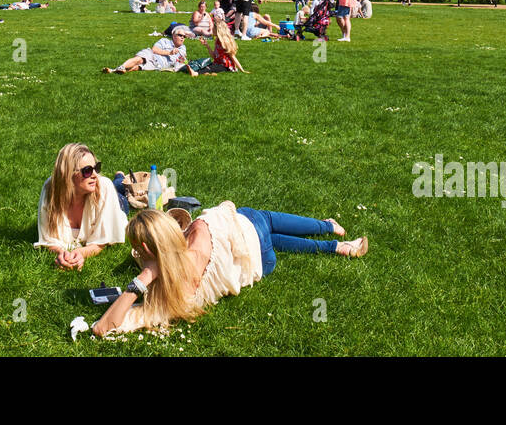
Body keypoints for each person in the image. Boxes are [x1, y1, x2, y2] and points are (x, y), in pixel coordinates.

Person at [90, 203, 367, 336]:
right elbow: (204, 228)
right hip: (252, 232)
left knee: (266, 240)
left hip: (262, 264)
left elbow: (103, 328)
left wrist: (145, 276)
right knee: (264, 220)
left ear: (145, 249)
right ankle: (328, 228)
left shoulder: (167, 300)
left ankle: (336, 246)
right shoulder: (196, 236)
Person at [35, 144, 128, 270]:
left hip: (116, 203)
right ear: (68, 174)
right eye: (88, 170)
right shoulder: (50, 189)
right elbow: (48, 239)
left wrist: (79, 253)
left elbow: (102, 241)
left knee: (123, 190)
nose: (95, 175)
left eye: (96, 168)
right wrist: (62, 254)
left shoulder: (104, 187)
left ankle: (120, 177)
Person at [105, 25, 196, 74]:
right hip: (151, 55)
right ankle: (120, 67)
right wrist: (169, 52)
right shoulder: (164, 41)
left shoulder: (183, 48)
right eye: (180, 35)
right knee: (140, 59)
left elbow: (182, 60)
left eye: (184, 36)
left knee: (138, 68)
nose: (182, 38)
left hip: (158, 64)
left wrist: (183, 60)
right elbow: (154, 49)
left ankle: (115, 71)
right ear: (173, 36)